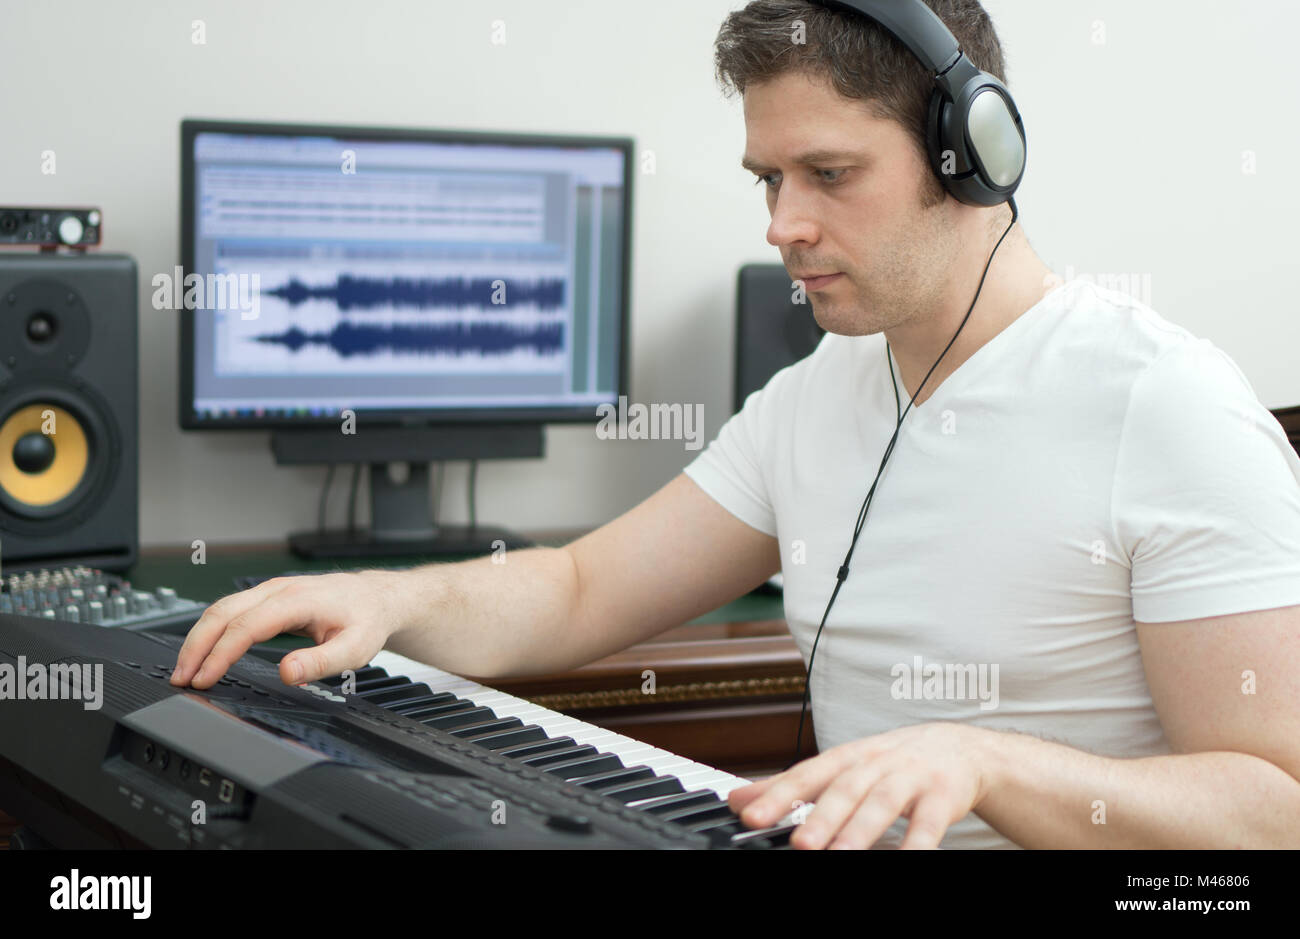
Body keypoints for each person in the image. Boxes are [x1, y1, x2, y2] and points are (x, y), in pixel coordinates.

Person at [172, 0, 1300, 849]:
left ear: (972, 158)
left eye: (827, 173)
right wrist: (392, 598)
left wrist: (986, 763)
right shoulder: (821, 392)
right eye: (768, 179)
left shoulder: (1166, 406)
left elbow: (1277, 807)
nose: (783, 224)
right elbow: (576, 593)